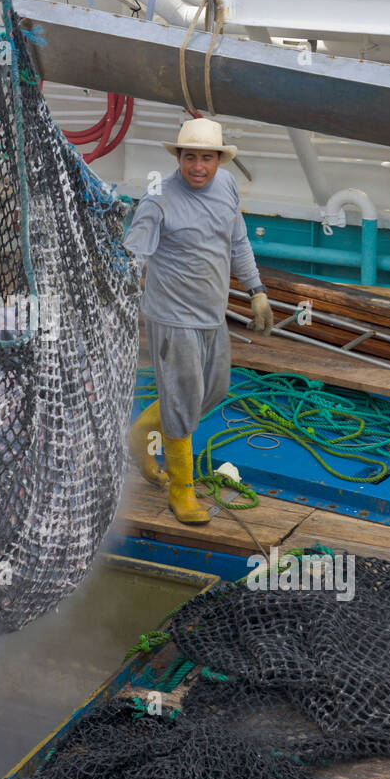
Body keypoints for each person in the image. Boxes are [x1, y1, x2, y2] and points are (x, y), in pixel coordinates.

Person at [124, 119, 275, 525]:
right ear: (178, 157)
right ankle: (181, 492)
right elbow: (134, 251)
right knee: (183, 400)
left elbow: (238, 241)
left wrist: (256, 291)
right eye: (189, 157)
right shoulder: (158, 198)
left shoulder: (226, 186)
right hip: (172, 317)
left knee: (214, 389)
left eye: (206, 158)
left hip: (212, 314)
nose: (198, 166)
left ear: (218, 159)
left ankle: (141, 435)